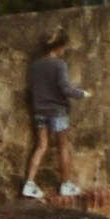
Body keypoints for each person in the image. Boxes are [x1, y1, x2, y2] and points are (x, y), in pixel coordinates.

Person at [20, 31, 80, 204]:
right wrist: (81, 93)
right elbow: (65, 88)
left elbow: (32, 88)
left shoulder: (36, 65)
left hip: (39, 110)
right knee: (63, 146)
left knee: (41, 146)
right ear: (59, 47)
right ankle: (66, 183)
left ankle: (29, 183)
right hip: (57, 111)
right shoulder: (59, 64)